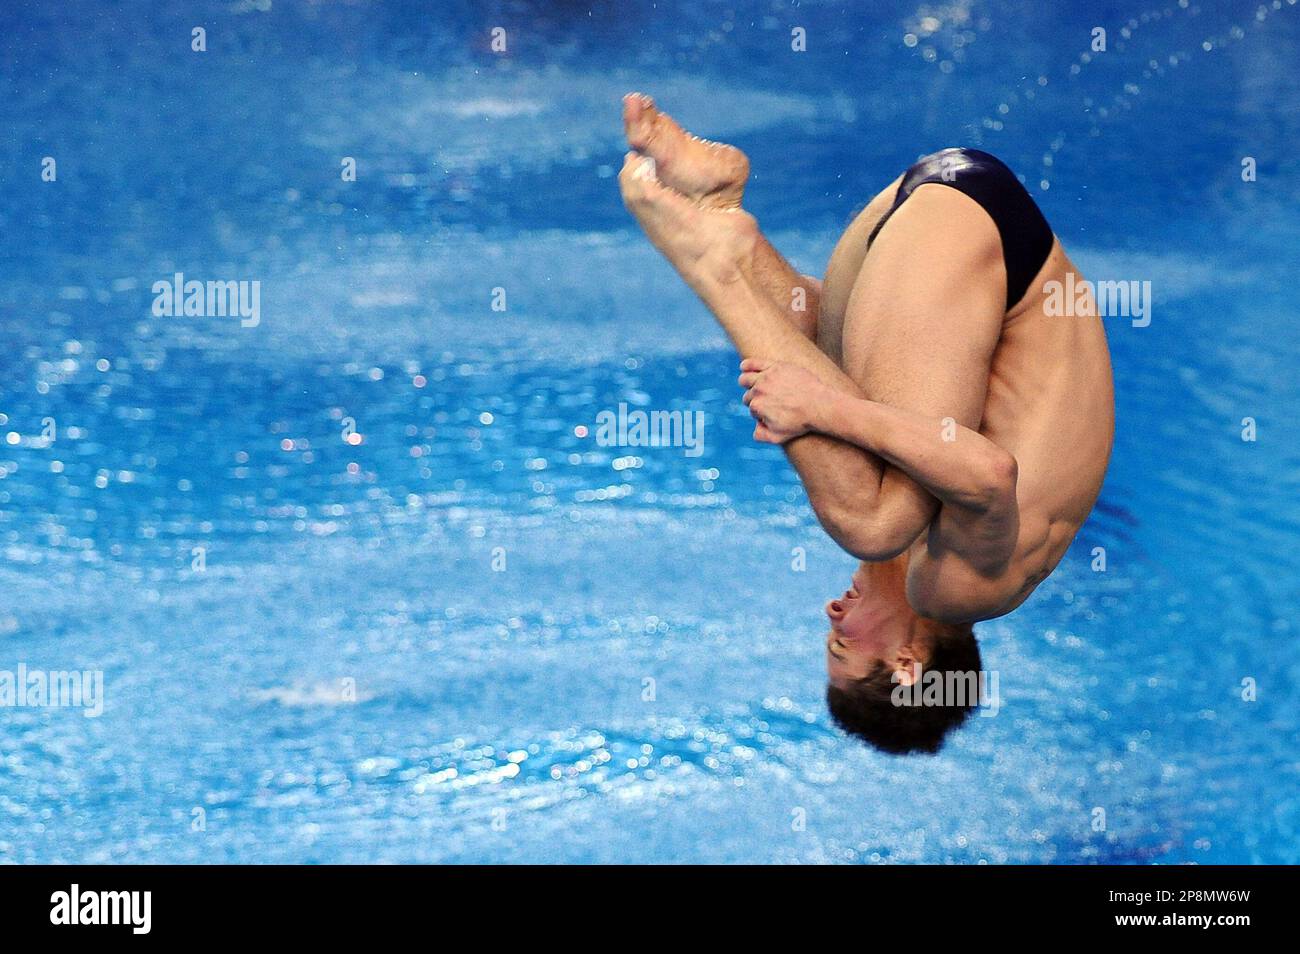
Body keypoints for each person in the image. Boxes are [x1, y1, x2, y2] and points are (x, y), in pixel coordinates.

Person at [618, 93, 1114, 753]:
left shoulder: (930, 554)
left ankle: (720, 207)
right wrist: (825, 410)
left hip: (939, 216)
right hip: (976, 233)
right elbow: (990, 473)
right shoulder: (960, 590)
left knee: (863, 453)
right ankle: (715, 269)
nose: (831, 614)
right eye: (842, 644)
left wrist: (829, 402)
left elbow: (879, 349)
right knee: (870, 523)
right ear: (909, 665)